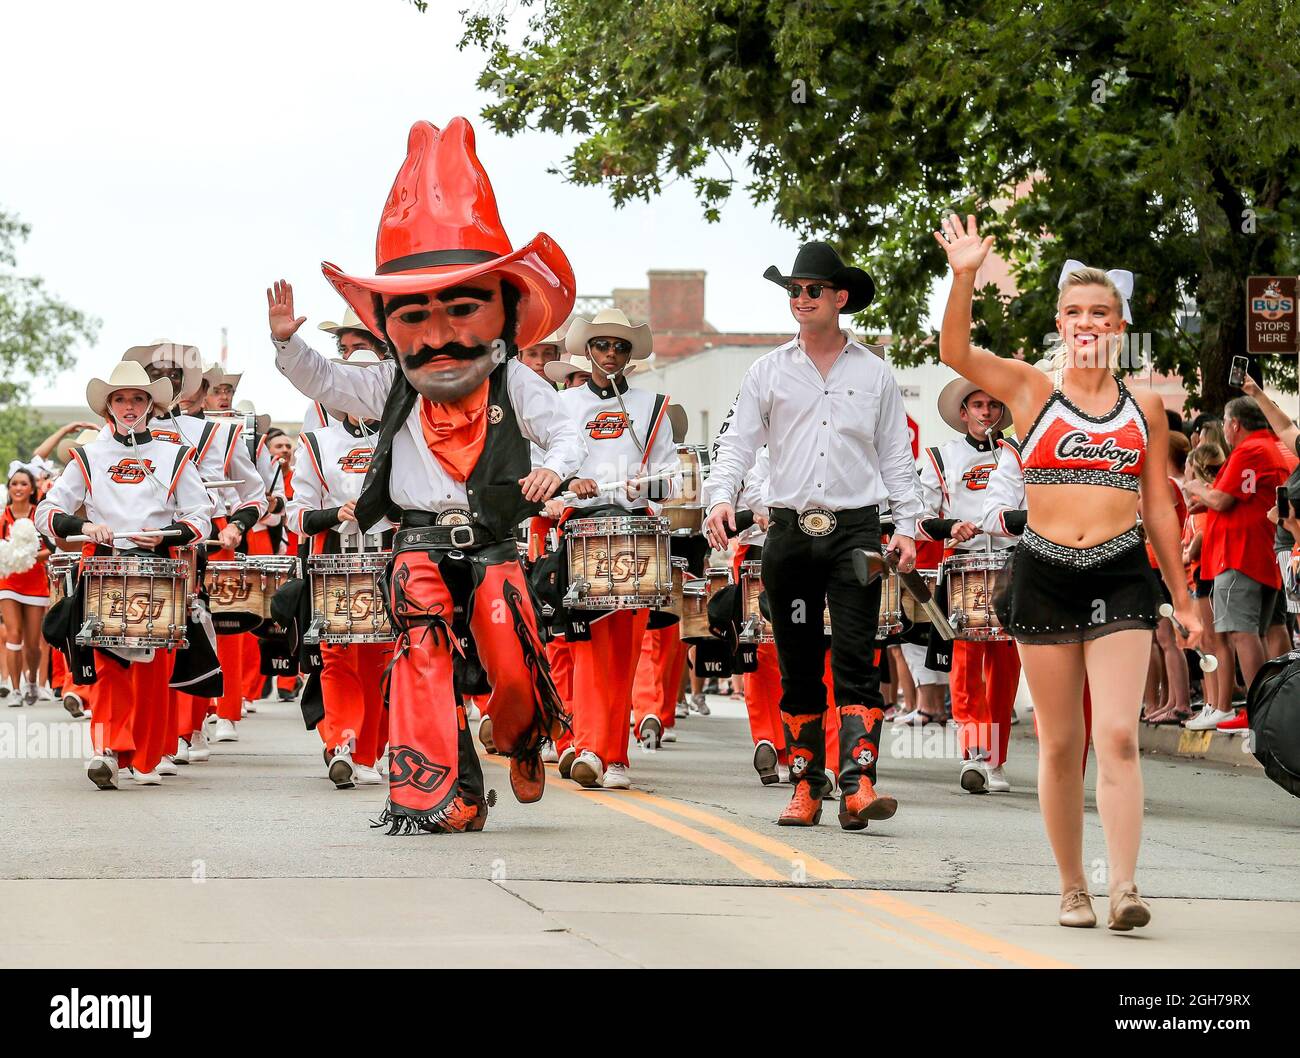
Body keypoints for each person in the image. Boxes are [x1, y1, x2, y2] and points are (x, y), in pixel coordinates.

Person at [267, 116, 584, 833]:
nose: (438, 331)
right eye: (417, 312)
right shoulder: (389, 384)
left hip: (496, 545)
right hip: (417, 545)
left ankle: (524, 734)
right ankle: (445, 796)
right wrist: (287, 344)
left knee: (509, 665)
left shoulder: (515, 381)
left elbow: (564, 429)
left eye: (461, 306)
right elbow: (328, 381)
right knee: (422, 659)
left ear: (500, 312)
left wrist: (556, 470)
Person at [934, 220, 1200, 931]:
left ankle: (1125, 888)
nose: (1088, 323)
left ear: (1121, 325)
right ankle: (1073, 886)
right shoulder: (1028, 387)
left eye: (1101, 314)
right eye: (1076, 312)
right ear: (1060, 321)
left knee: (1116, 735)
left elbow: (1160, 511)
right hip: (1045, 571)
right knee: (1060, 744)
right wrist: (965, 275)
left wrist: (1186, 596)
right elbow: (953, 351)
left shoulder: (1143, 405)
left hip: (1119, 571)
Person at [703, 240, 921, 830]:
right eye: (794, 290)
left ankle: (859, 785)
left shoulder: (875, 372)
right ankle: (806, 786)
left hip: (856, 532)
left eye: (813, 290)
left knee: (858, 659)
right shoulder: (766, 371)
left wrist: (907, 527)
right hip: (791, 532)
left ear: (840, 298)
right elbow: (736, 446)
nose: (801, 299)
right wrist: (720, 498)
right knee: (797, 663)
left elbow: (898, 458)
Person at [35, 360, 213, 789]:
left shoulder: (175, 455)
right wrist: (84, 526)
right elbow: (48, 512)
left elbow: (202, 516)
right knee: (109, 660)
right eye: (120, 399)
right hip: (102, 564)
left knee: (152, 668)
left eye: (137, 398)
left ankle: (144, 754)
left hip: (158, 566)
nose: (129, 406)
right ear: (108, 407)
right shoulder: (88, 455)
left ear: (151, 404)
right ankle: (108, 750)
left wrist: (168, 534)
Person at [122, 340, 268, 758]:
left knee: (201, 629)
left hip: (203, 537)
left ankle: (196, 721)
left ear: (189, 385)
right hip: (140, 541)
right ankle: (151, 735)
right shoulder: (118, 432)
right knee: (138, 631)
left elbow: (253, 493)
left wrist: (238, 525)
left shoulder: (217, 434)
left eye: (172, 375)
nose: (164, 381)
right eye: (155, 375)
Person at [555, 307, 677, 790]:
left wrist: (644, 484)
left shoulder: (653, 406)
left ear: (629, 354)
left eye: (620, 346)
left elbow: (670, 479)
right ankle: (587, 746)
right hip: (583, 528)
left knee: (626, 648)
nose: (610, 353)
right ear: (587, 351)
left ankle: (615, 755)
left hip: (635, 531)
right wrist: (572, 481)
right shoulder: (563, 406)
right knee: (587, 643)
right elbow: (545, 467)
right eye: (602, 345)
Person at [285, 351, 392, 789]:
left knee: (383, 657)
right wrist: (334, 514)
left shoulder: (402, 437)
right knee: (337, 654)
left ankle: (372, 750)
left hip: (387, 554)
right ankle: (341, 744)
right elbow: (297, 514)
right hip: (334, 557)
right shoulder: (316, 442)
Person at [917, 373, 1020, 793]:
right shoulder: (941, 456)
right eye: (979, 406)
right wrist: (951, 526)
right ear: (964, 413)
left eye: (994, 405)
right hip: (964, 564)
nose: (987, 413)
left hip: (1012, 565)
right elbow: (920, 519)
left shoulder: (1017, 454)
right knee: (966, 661)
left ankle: (995, 759)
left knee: (1006, 667)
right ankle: (974, 750)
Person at [1183, 396, 1288, 731]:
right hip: (1260, 551)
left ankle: (1258, 709)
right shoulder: (1271, 446)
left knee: (1241, 634)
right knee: (1260, 631)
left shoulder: (1250, 450)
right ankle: (1267, 707)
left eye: (1227, 423)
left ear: (1234, 424)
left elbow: (1223, 499)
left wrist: (1196, 485)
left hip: (1239, 553)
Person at [0, 467, 53, 705]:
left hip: (35, 583)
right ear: (9, 489)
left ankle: (32, 682)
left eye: (23, 484)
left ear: (32, 489)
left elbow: (51, 548)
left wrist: (31, 555)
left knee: (32, 643)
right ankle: (14, 689)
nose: (18, 488)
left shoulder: (38, 516)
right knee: (14, 633)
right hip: (8, 581)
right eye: (14, 484)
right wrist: (10, 556)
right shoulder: (3, 519)